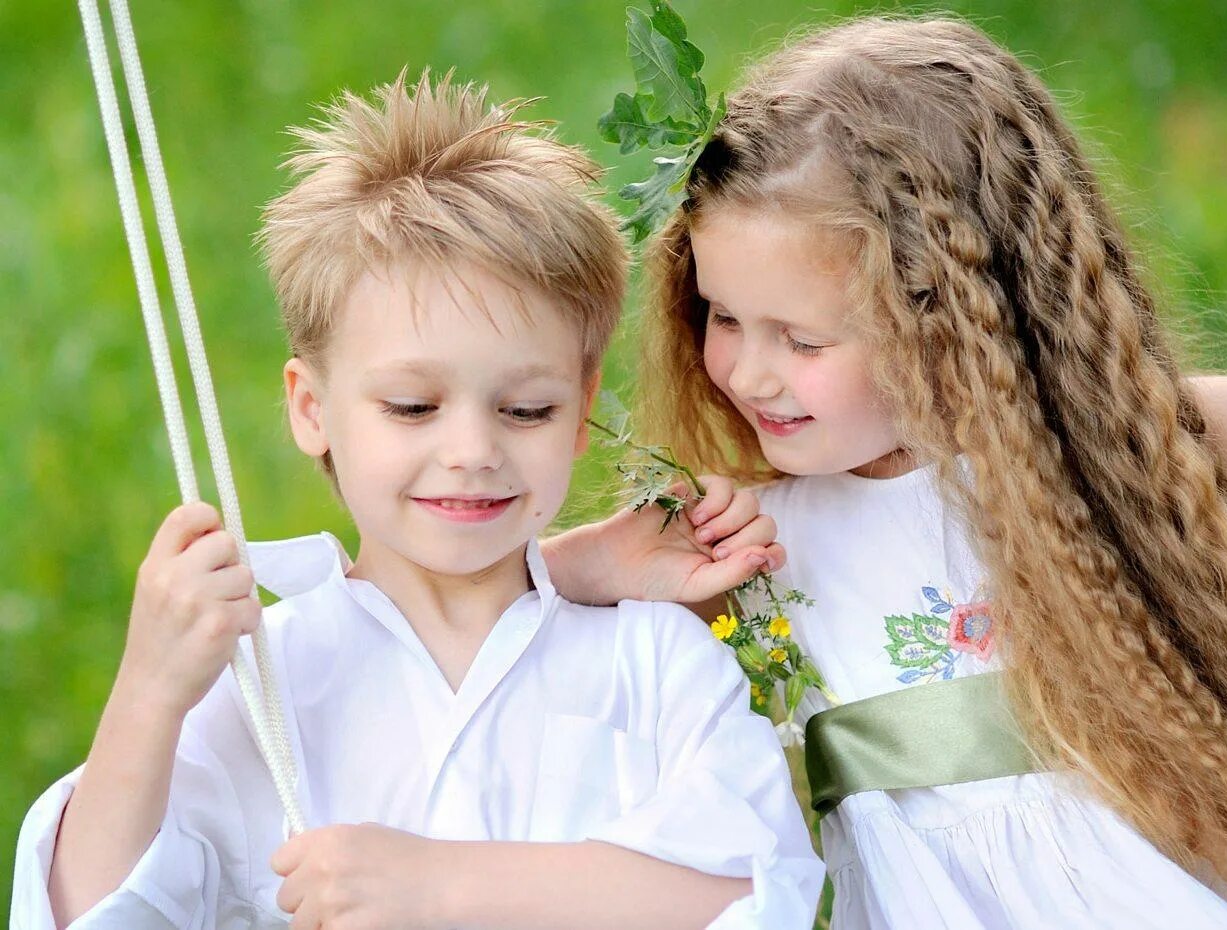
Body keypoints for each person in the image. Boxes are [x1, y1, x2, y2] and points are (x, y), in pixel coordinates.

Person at [625, 15, 1227, 930]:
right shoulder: (738, 535)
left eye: (800, 338)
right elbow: (510, 598)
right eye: (721, 316)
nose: (747, 372)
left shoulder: (1117, 448)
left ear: (953, 309)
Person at [11, 73, 822, 930]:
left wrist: (441, 888)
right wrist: (149, 692)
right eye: (411, 407)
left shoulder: (652, 661)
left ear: (581, 414)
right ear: (311, 408)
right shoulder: (258, 682)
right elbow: (91, 915)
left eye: (525, 410)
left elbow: (760, 892)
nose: (472, 452)